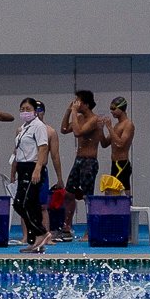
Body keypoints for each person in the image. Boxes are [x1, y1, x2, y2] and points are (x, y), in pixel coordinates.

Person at [9, 97, 54, 252]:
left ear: (35, 111)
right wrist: (13, 171)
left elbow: (43, 148)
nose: (25, 112)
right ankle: (35, 241)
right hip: (22, 167)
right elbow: (17, 151)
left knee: (21, 203)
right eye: (22, 109)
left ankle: (41, 232)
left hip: (32, 167)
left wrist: (37, 169)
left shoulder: (39, 126)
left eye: (28, 109)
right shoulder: (23, 128)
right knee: (31, 205)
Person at [58, 89, 103, 241]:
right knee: (69, 194)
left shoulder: (94, 120)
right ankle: (67, 227)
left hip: (89, 162)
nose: (75, 104)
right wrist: (68, 111)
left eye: (78, 101)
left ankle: (90, 230)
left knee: (87, 197)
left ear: (86, 104)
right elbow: (64, 129)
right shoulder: (79, 118)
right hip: (78, 161)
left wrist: (73, 112)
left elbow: (78, 132)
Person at [105, 96, 136, 193]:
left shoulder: (128, 124)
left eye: (114, 108)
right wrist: (100, 129)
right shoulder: (117, 125)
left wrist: (109, 128)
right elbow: (104, 144)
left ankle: (127, 203)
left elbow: (121, 143)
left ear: (121, 108)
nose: (111, 111)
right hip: (115, 163)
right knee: (114, 193)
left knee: (112, 192)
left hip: (122, 164)